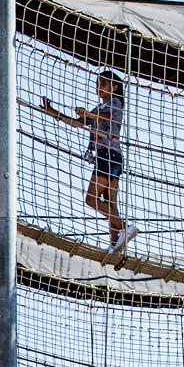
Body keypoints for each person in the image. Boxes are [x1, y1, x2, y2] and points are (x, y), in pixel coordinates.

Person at [43, 69, 133, 252]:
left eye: (104, 84)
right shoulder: (99, 108)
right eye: (98, 84)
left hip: (107, 155)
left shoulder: (115, 103)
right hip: (113, 157)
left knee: (91, 199)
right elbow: (77, 123)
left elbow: (106, 117)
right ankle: (115, 243)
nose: (99, 87)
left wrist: (89, 115)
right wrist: (53, 112)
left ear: (114, 87)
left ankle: (124, 227)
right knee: (110, 204)